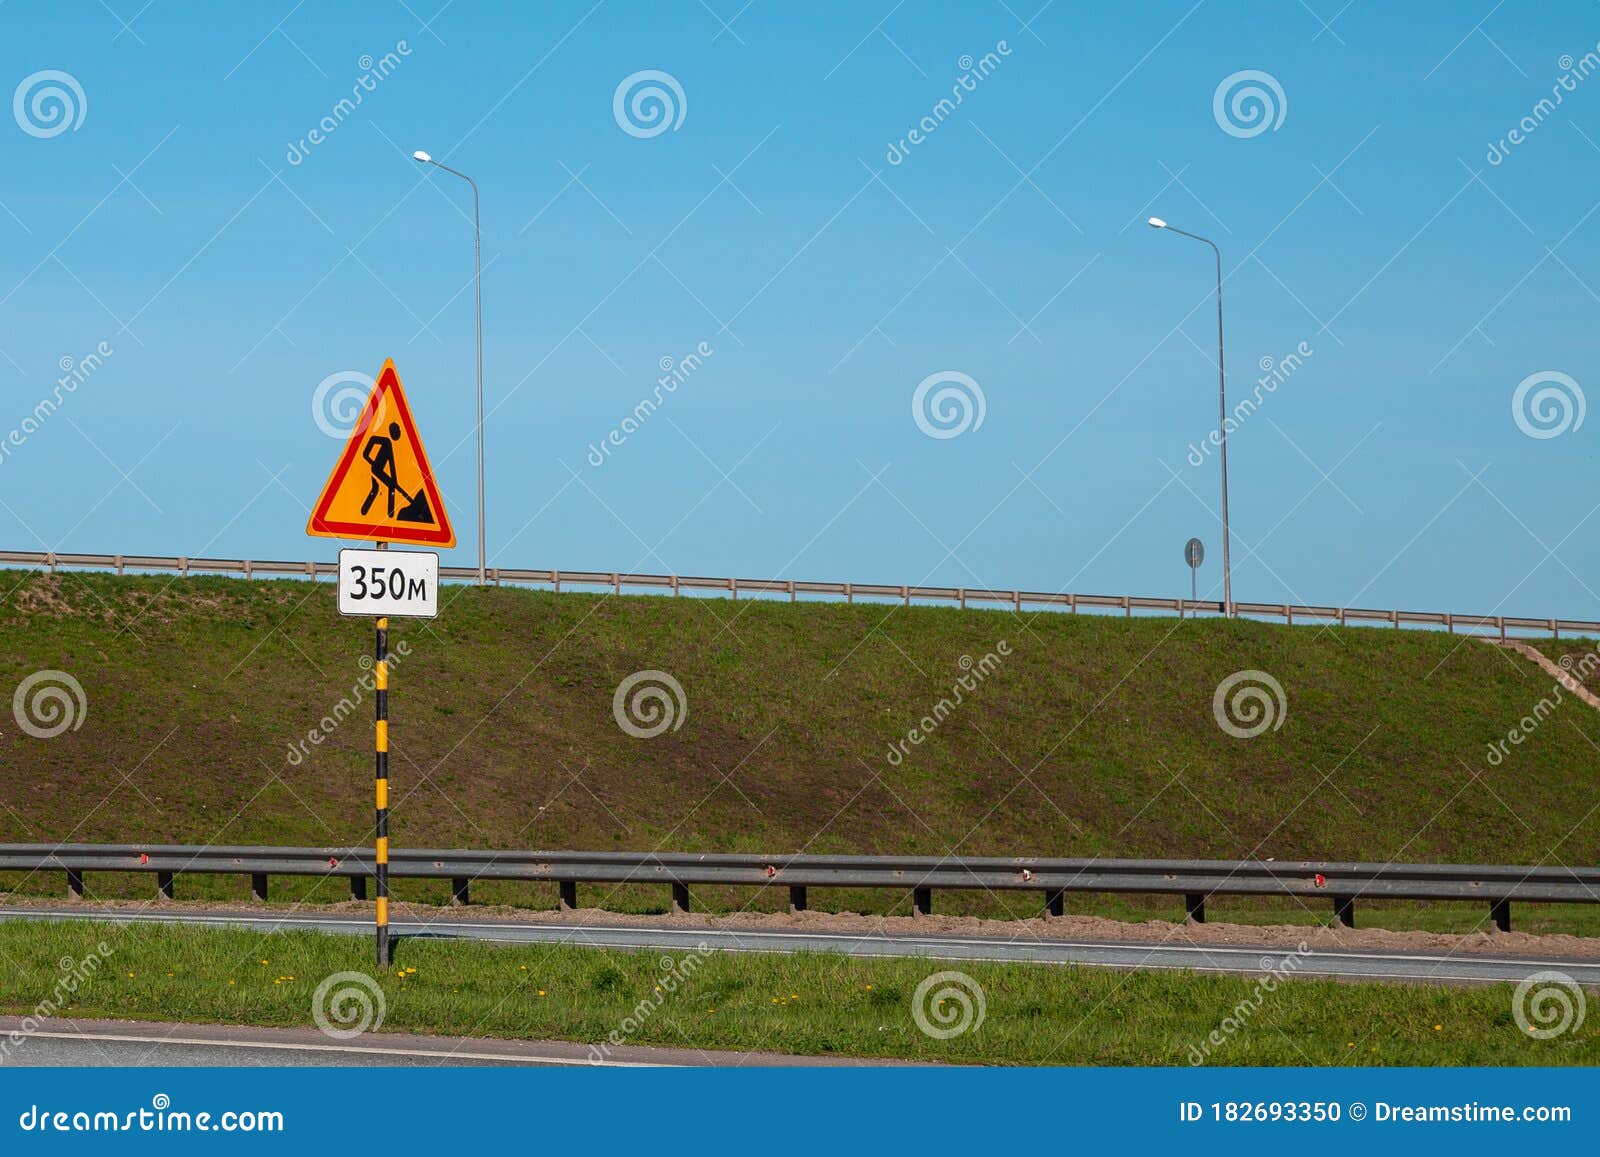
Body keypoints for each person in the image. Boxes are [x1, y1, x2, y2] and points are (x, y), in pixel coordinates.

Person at [360, 422, 404, 518]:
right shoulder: (386, 441)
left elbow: (391, 463)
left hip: (378, 469)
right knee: (378, 488)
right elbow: (372, 440)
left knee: (386, 487)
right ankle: (366, 511)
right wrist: (367, 457)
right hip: (376, 469)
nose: (397, 435)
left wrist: (394, 479)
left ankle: (389, 514)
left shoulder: (388, 443)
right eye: (396, 432)